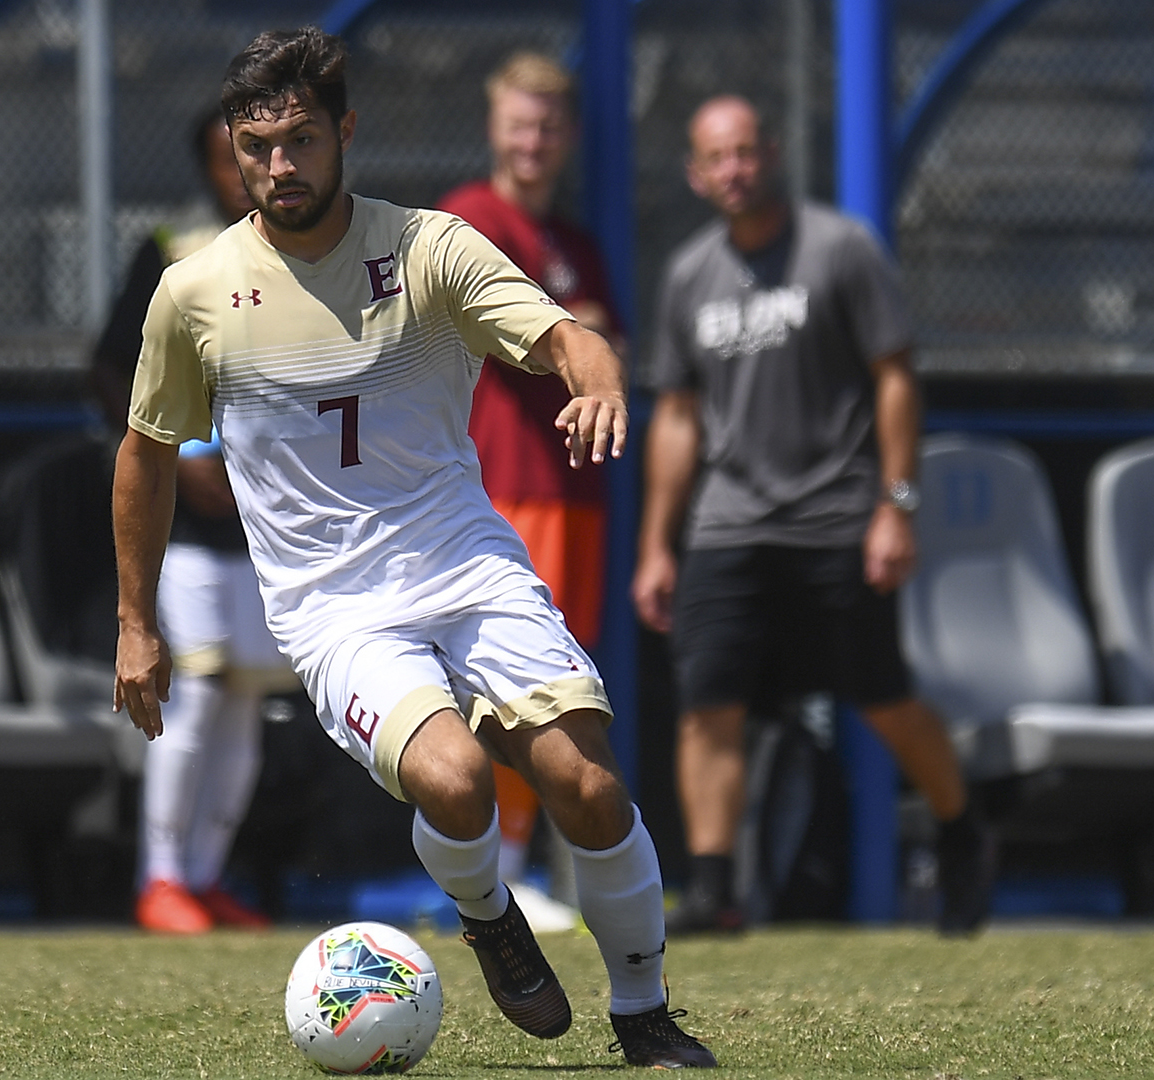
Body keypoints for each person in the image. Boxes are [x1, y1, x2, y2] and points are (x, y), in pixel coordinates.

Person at [114, 28, 713, 1067]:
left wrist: (599, 376)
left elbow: (565, 333)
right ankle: (489, 917)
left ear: (345, 131)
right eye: (258, 147)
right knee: (455, 779)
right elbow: (146, 454)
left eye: (302, 139)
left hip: (468, 564)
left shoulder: (430, 248)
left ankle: (645, 1012)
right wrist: (134, 621)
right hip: (334, 608)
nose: (281, 167)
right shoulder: (196, 291)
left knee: (590, 786)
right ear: (232, 149)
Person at [634, 95, 990, 936]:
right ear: (695, 173)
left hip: (835, 518)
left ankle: (963, 832)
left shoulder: (841, 250)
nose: (735, 170)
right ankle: (716, 889)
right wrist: (656, 544)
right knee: (707, 705)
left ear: (774, 153)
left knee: (885, 700)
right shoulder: (690, 275)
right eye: (717, 157)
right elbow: (678, 417)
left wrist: (894, 507)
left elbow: (896, 377)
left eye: (747, 151)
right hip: (727, 524)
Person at [92, 110, 290, 935]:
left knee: (248, 701)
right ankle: (161, 879)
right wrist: (175, 458)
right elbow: (109, 371)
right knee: (198, 691)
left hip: (271, 523)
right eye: (228, 156)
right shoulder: (171, 249)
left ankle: (207, 879)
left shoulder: (300, 252)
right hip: (192, 528)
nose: (243, 171)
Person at [438, 52, 618, 917]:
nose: (533, 140)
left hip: (576, 487)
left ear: (570, 135)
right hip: (507, 483)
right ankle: (500, 867)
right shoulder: (473, 220)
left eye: (548, 124)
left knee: (563, 679)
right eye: (519, 121)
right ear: (492, 127)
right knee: (514, 681)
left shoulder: (575, 242)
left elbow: (605, 343)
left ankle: (530, 861)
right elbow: (546, 340)